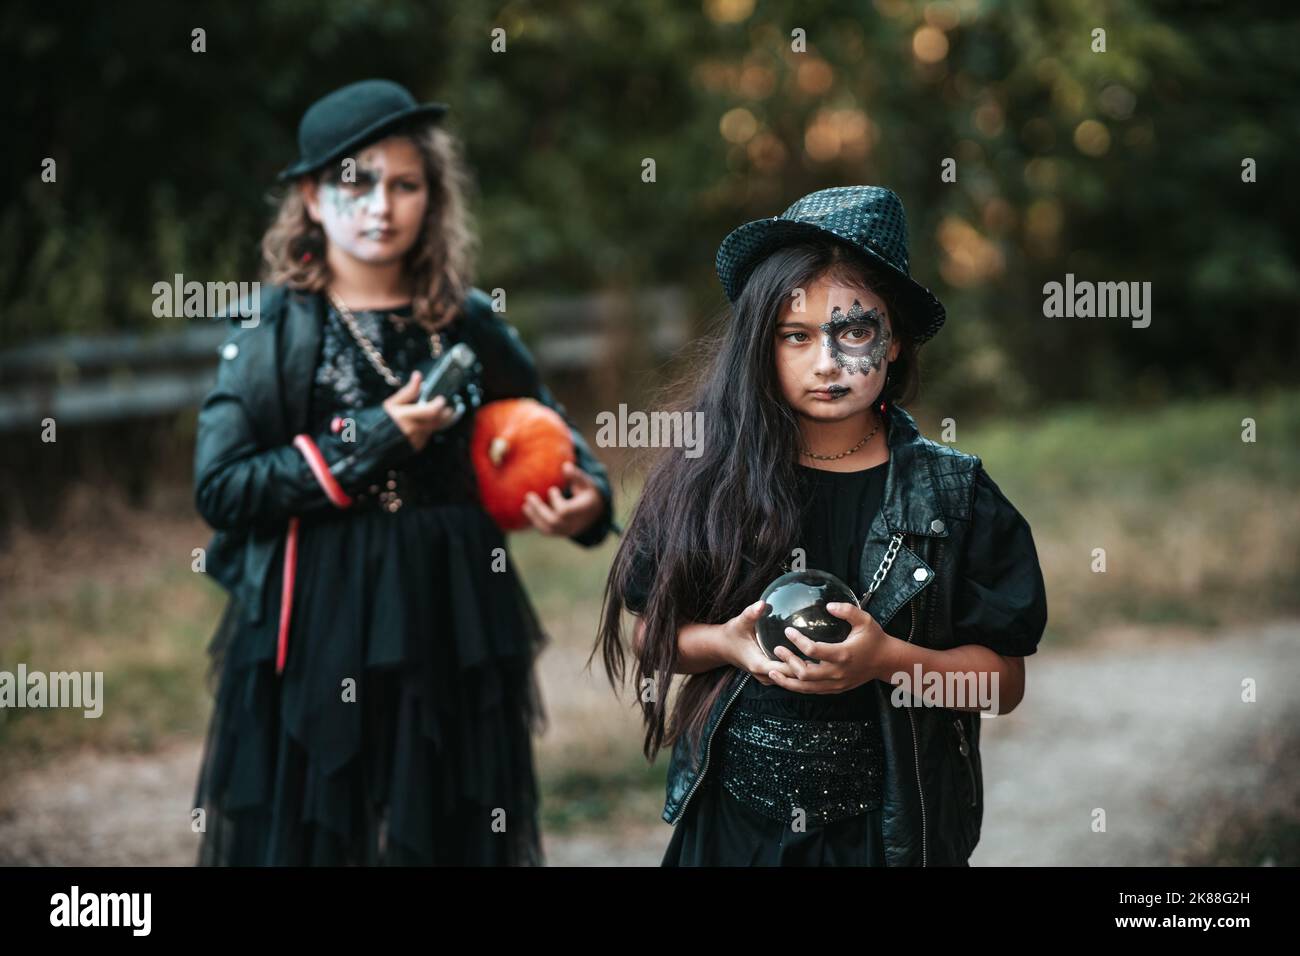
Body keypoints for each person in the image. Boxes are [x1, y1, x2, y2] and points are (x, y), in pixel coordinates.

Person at [191, 79, 615, 865]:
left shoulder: (467, 320)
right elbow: (222, 488)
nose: (380, 204)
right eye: (354, 181)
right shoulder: (276, 331)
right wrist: (373, 441)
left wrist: (586, 500)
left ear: (432, 198)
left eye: (404, 183)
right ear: (312, 200)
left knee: (448, 824)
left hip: (450, 608)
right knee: (322, 830)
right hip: (319, 612)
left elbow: (549, 430)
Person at [593, 186, 1048, 866]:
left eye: (854, 331)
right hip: (734, 832)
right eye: (796, 336)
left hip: (884, 839)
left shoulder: (956, 495)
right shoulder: (709, 479)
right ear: (762, 346)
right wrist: (727, 643)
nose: (828, 362)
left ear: (892, 341)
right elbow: (653, 639)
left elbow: (1000, 687)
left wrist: (888, 662)